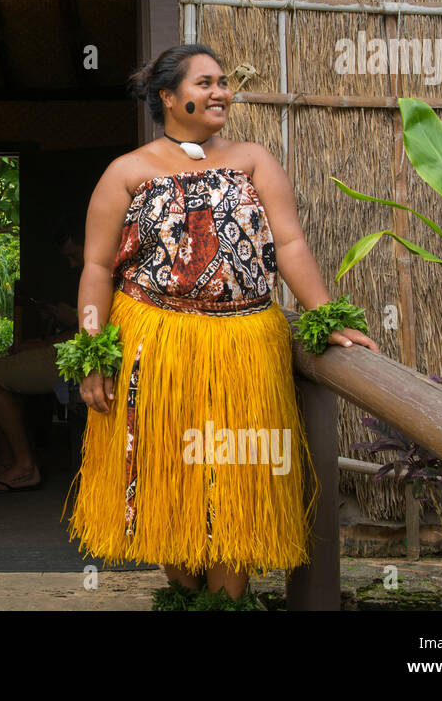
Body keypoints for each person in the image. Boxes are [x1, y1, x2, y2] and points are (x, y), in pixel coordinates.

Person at [65, 43, 379, 600]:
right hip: (155, 343)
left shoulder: (253, 158)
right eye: (206, 83)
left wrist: (322, 314)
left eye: (224, 83)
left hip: (246, 343)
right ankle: (185, 594)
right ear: (169, 96)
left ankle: (228, 602)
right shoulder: (128, 171)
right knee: (167, 477)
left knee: (233, 477)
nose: (221, 93)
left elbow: (289, 243)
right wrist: (94, 353)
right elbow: (96, 266)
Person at [0, 226, 82, 493]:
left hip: (80, 355)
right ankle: (7, 461)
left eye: (74, 255)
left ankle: (25, 467)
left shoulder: (106, 271)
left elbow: (96, 331)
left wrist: (66, 326)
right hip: (70, 346)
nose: (72, 264)